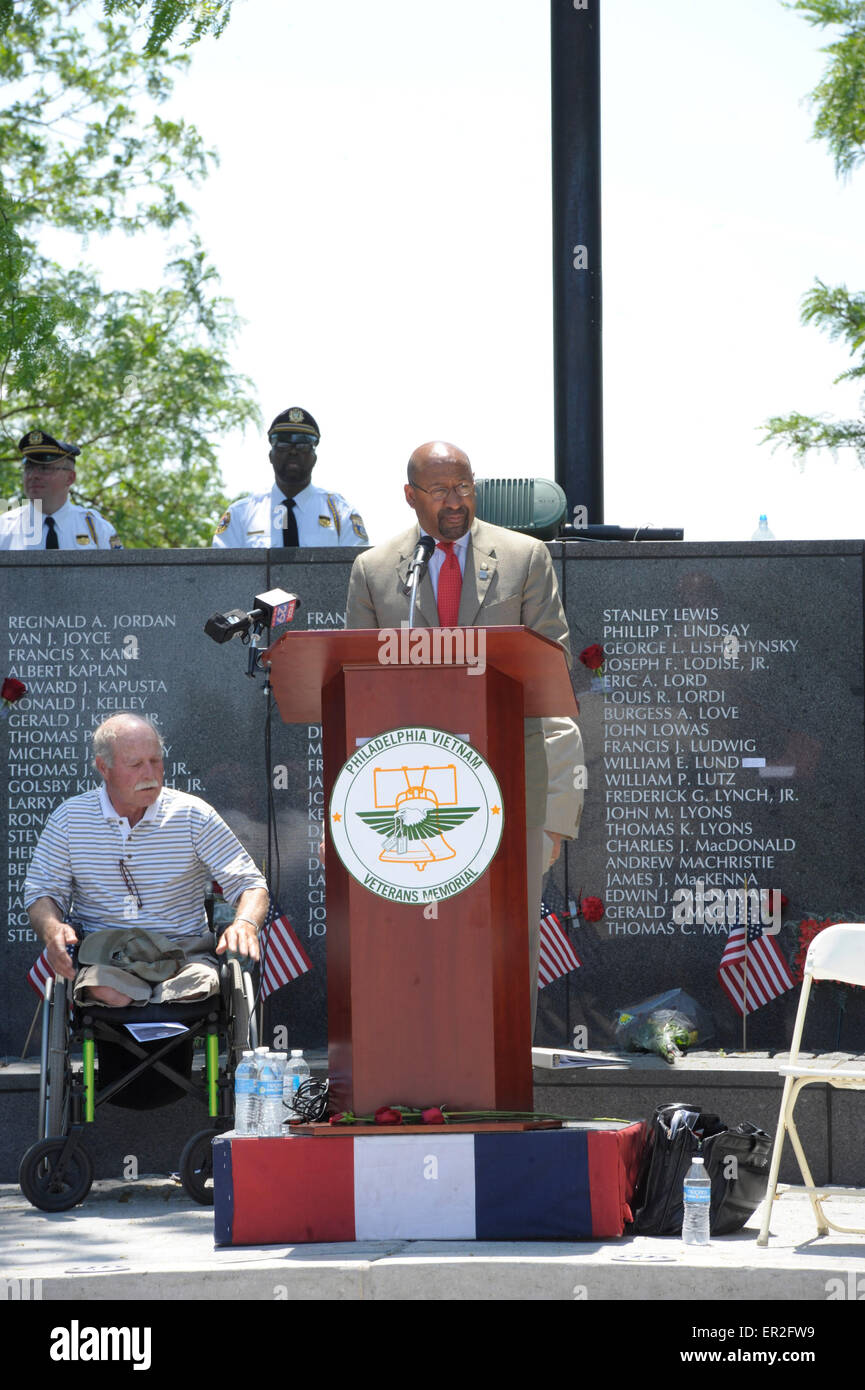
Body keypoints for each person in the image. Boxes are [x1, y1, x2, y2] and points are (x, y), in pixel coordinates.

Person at [345, 440, 584, 1030]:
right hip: (410, 786)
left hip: (507, 776)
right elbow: (355, 680)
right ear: (410, 496)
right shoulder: (374, 570)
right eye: (440, 490)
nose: (456, 502)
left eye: (465, 487)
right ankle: (418, 1063)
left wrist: (556, 811)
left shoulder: (525, 557)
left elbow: (551, 670)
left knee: (504, 940)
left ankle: (505, 1081)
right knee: (416, 941)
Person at [24, 713, 269, 1008]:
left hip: (183, 955)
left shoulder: (192, 815)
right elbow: (42, 892)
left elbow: (250, 883)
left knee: (195, 992)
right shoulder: (69, 819)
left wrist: (244, 923)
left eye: (155, 761)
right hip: (107, 957)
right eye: (136, 764)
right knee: (107, 992)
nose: (150, 774)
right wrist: (52, 928)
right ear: (105, 767)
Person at [212, 407, 368, 548]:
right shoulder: (242, 514)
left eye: (302, 445)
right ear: (270, 456)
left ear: (314, 458)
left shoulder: (341, 514)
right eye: (283, 446)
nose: (293, 452)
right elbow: (221, 573)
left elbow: (357, 574)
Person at [0, 430, 122, 551]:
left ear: (70, 478)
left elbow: (120, 570)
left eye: (44, 468)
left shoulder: (96, 528)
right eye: (28, 468)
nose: (33, 475)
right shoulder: (4, 528)